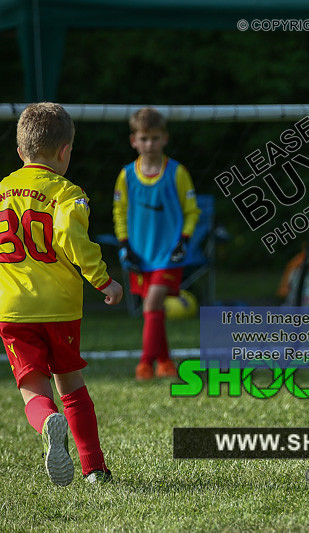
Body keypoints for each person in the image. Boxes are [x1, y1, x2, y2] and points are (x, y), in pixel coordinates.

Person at [0, 102, 123, 485]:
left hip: (12, 309)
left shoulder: (2, 190)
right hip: (60, 308)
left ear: (21, 152)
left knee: (32, 389)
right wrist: (104, 280)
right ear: (65, 151)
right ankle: (94, 468)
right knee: (70, 383)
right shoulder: (68, 193)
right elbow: (71, 237)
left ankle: (47, 421)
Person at [113, 107, 201, 380]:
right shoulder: (126, 176)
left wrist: (184, 241)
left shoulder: (178, 172)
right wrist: (125, 245)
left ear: (165, 138)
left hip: (168, 255)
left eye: (155, 138)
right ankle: (165, 362)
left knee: (151, 305)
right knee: (154, 310)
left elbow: (192, 211)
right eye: (144, 138)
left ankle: (145, 363)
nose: (149, 143)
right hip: (140, 254)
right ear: (134, 140)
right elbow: (119, 212)